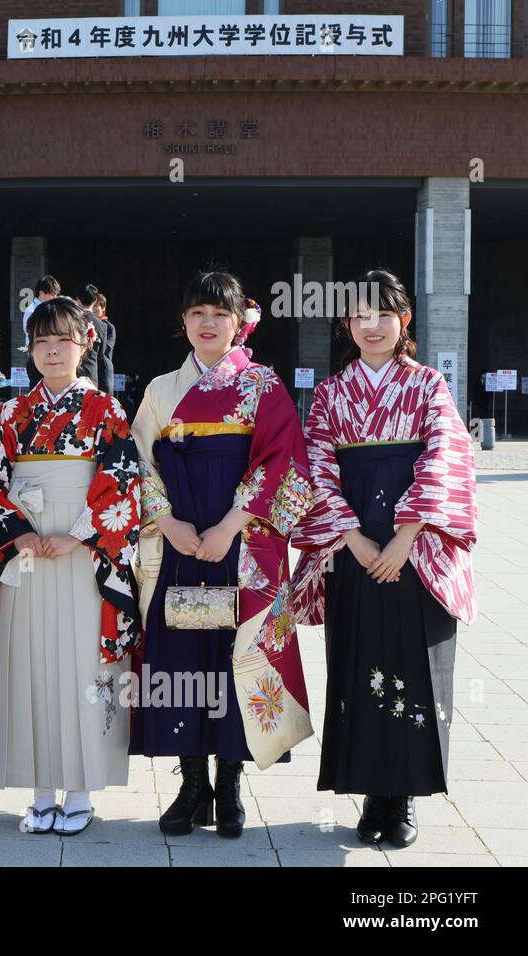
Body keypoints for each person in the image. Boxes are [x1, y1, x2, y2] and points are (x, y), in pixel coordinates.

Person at [290, 269, 477, 850]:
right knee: (357, 660)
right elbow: (316, 466)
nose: (372, 326)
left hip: (414, 546)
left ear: (405, 321)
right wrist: (350, 535)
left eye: (384, 315)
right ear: (348, 324)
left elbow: (446, 456)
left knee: (414, 664)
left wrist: (405, 537)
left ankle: (403, 799)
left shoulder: (427, 387)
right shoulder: (331, 393)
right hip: (354, 545)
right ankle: (371, 792)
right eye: (360, 316)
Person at [129, 270, 315, 839]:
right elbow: (137, 459)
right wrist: (166, 521)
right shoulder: (161, 389)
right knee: (183, 660)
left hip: (242, 544)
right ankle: (193, 786)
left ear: (239, 323)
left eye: (220, 314)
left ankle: (230, 783)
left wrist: (231, 525)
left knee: (235, 656)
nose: (208, 324)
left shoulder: (262, 383)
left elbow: (286, 461)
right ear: (183, 322)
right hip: (179, 541)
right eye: (197, 314)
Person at [0, 297, 141, 835]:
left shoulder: (108, 411)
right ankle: (40, 789)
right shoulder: (8, 413)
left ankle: (80, 789)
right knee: (27, 663)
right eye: (42, 342)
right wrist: (20, 532)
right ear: (29, 350)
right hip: (26, 552)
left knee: (82, 665)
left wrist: (77, 536)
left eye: (64, 340)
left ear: (85, 343)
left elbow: (123, 482)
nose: (53, 351)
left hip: (83, 555)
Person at [75, 283, 116, 393]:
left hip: (73, 374)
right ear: (94, 301)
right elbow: (102, 353)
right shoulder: (102, 325)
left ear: (77, 299)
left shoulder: (72, 320)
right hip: (92, 373)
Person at [23, 275, 61, 386]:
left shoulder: (48, 309)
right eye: (52, 294)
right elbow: (31, 333)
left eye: (56, 295)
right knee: (37, 394)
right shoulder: (32, 311)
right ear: (41, 293)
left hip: (47, 357)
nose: (55, 297)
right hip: (37, 358)